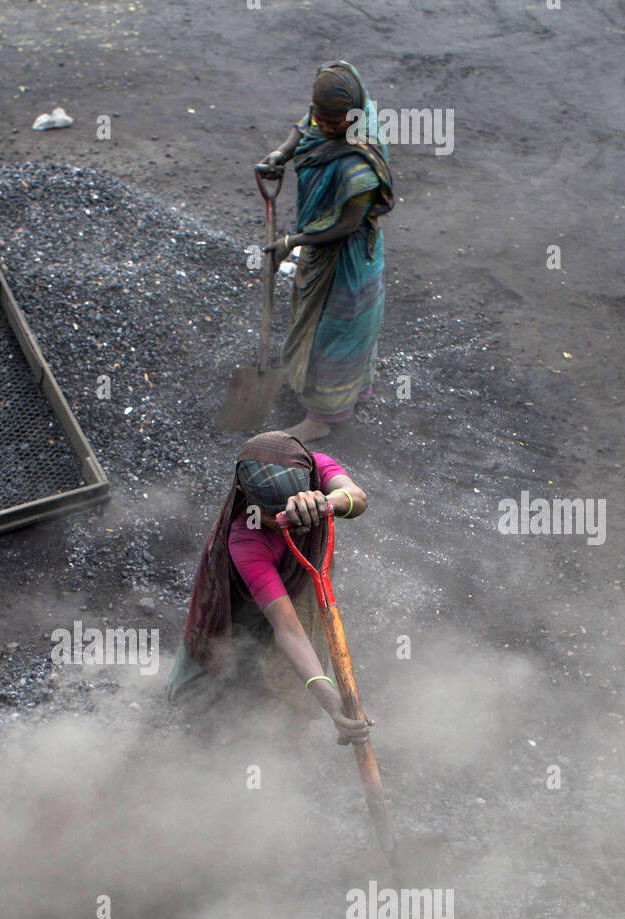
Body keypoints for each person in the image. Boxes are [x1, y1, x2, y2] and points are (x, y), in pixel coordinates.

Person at [166, 431, 372, 744]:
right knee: (218, 656)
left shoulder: (315, 468)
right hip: (241, 594)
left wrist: (325, 502)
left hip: (299, 577)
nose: (280, 521)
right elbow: (287, 629)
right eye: (268, 513)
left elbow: (357, 499)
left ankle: (276, 716)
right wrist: (333, 702)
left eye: (286, 510)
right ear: (242, 491)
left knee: (290, 659)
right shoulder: (246, 539)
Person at [259, 60, 394, 442]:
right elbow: (305, 126)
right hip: (321, 247)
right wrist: (281, 155)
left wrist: (292, 242)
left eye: (338, 125)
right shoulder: (327, 116)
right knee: (318, 320)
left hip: (347, 257)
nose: (329, 129)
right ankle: (349, 389)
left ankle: (323, 416)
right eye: (325, 120)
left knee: (333, 330)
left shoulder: (359, 166)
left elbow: (347, 225)